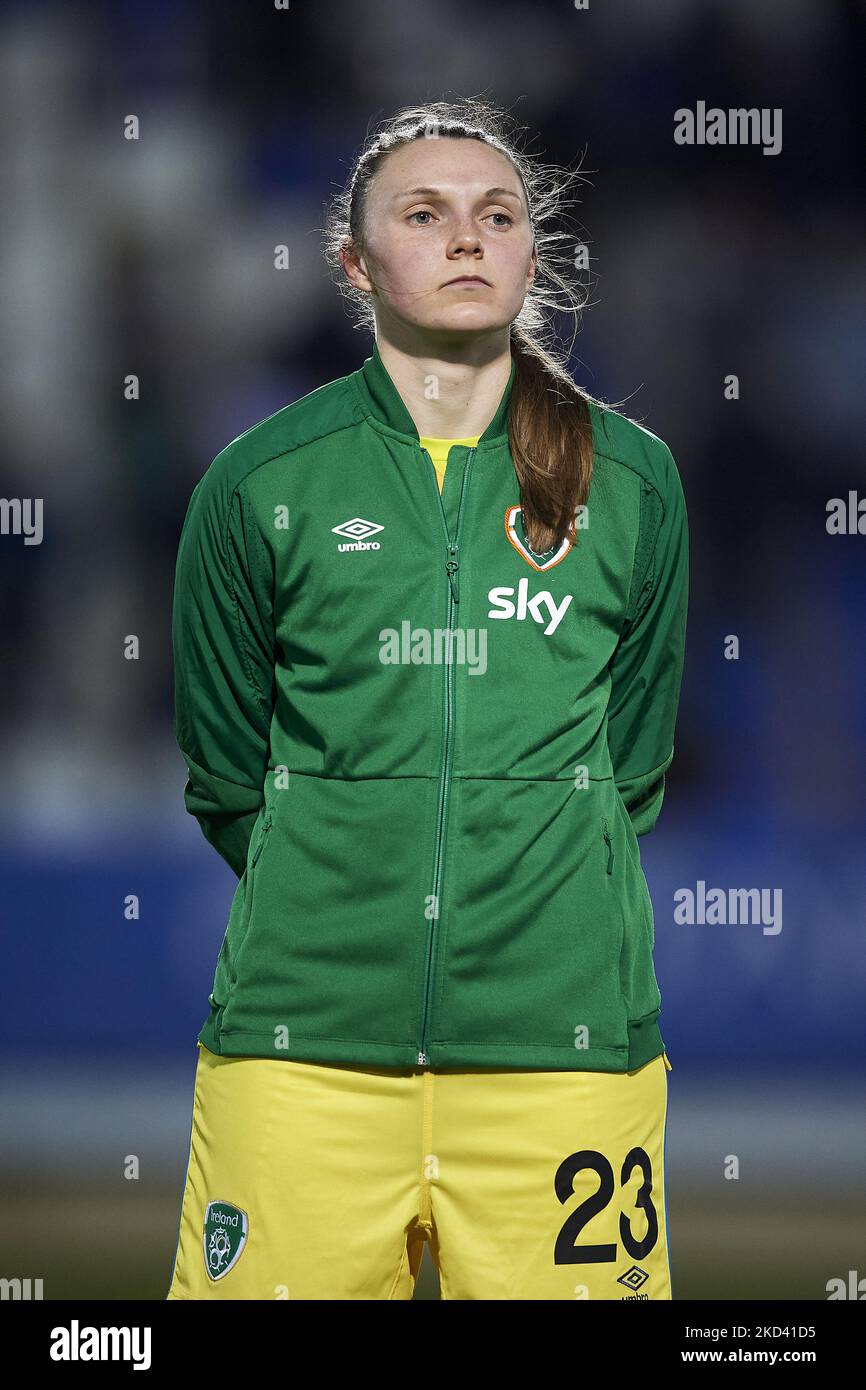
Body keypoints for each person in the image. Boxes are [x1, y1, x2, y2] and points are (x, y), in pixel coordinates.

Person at [166, 97, 689, 1301]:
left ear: (528, 254)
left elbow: (630, 767)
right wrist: (348, 886)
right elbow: (230, 778)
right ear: (356, 264)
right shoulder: (258, 484)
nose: (467, 239)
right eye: (424, 214)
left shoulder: (638, 482)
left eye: (496, 216)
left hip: (563, 1063)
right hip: (301, 1064)